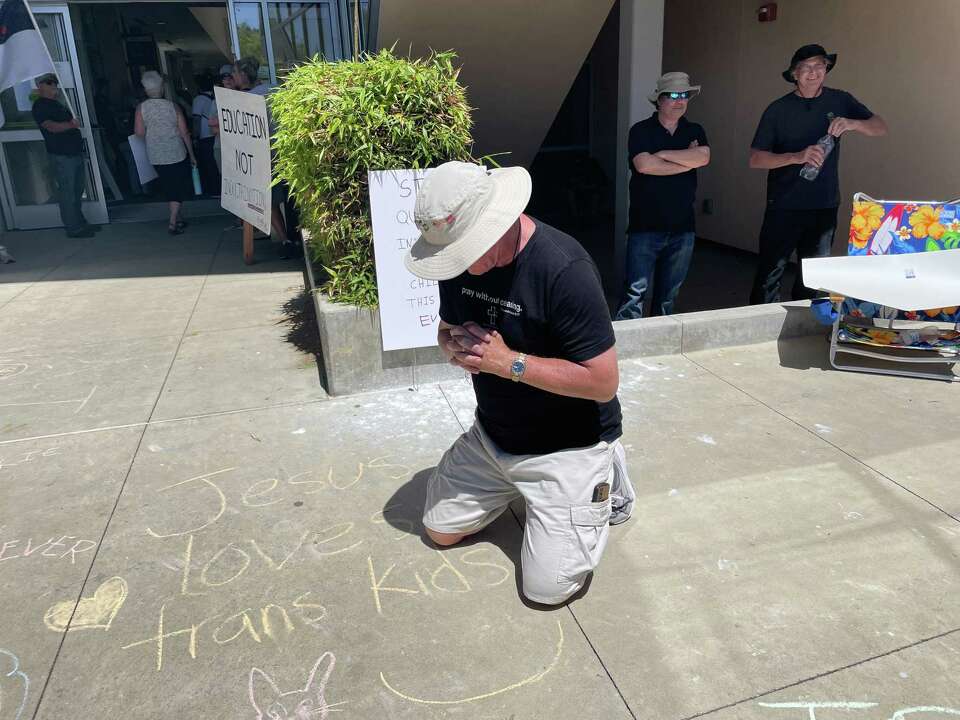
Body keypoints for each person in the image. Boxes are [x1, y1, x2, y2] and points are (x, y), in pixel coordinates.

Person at [405, 161, 636, 606]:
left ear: (500, 223)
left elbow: (604, 382)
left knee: (546, 591)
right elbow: (445, 329)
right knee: (438, 531)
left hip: (567, 445)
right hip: (494, 436)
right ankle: (515, 483)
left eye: (467, 251)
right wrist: (454, 349)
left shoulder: (564, 268)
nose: (463, 268)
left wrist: (507, 363)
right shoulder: (456, 263)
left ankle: (607, 471)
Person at [748, 44, 887, 304]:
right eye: (806, 68)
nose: (813, 73)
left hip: (823, 204)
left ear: (826, 69)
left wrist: (853, 123)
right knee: (770, 272)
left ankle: (804, 332)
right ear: (794, 74)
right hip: (784, 204)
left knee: (813, 278)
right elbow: (756, 159)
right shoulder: (778, 110)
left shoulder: (840, 100)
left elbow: (879, 126)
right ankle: (757, 331)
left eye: (819, 66)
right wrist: (796, 157)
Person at [616, 72, 709, 319]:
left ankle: (659, 347)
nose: (680, 100)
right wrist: (686, 160)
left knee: (668, 295)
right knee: (634, 293)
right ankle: (626, 346)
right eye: (673, 95)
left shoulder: (695, 129)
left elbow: (703, 157)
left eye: (685, 95)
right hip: (645, 225)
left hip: (683, 227)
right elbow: (644, 165)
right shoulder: (640, 130)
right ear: (659, 100)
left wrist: (662, 154)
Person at [230, 57, 300, 258]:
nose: (233, 77)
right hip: (287, 152)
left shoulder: (243, 101)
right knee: (291, 197)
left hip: (264, 156)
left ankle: (285, 239)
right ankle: (294, 239)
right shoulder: (275, 90)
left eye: (234, 73)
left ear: (243, 75)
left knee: (268, 200)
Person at [31, 73, 99, 238]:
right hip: (62, 155)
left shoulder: (57, 103)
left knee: (77, 191)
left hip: (73, 153)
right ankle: (74, 228)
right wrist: (70, 125)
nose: (54, 84)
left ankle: (80, 223)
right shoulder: (40, 105)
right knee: (68, 193)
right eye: (49, 82)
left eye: (55, 81)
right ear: (40, 86)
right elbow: (50, 127)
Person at [135, 70, 197, 235]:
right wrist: (191, 154)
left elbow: (139, 133)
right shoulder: (173, 106)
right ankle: (172, 222)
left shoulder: (141, 108)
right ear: (161, 88)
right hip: (176, 151)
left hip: (155, 154)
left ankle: (178, 218)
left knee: (169, 185)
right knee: (177, 187)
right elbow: (184, 132)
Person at [191, 72, 219, 195]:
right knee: (216, 164)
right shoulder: (215, 98)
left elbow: (196, 120)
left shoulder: (198, 100)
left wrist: (194, 136)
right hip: (216, 136)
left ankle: (212, 190)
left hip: (205, 137)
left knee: (208, 166)